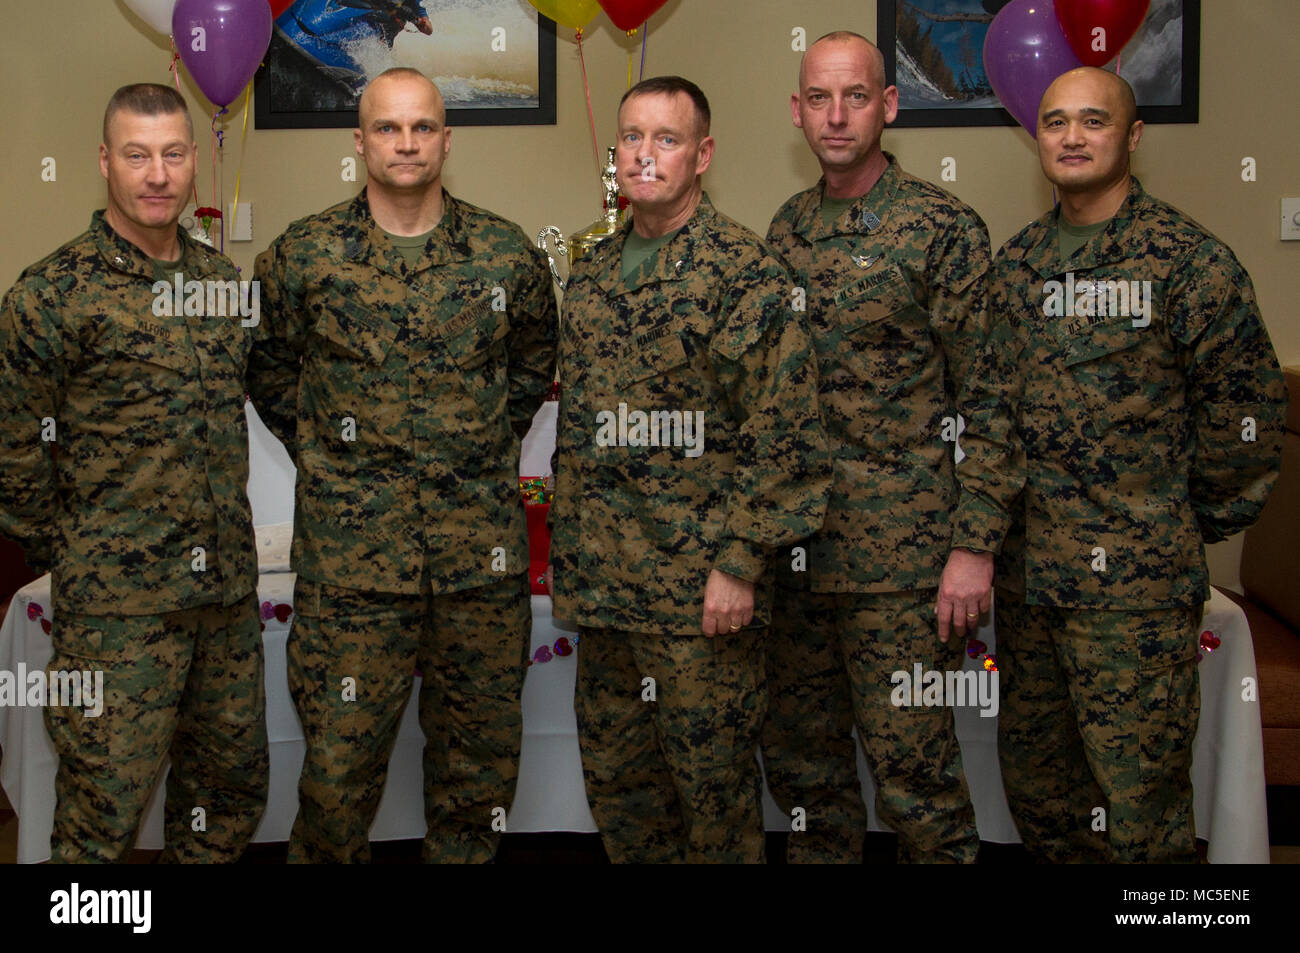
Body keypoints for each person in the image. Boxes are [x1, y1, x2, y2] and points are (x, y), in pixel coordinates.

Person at [947, 66, 1288, 862]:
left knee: (1142, 813)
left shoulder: (1188, 264)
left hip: (1133, 599)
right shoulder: (1017, 267)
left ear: (1132, 137)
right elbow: (990, 416)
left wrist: (1166, 525)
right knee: (1042, 794)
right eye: (1055, 121)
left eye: (1093, 121)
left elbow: (1246, 424)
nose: (1071, 137)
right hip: (1031, 588)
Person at [250, 67, 557, 863]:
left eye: (422, 127)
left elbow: (532, 367)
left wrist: (477, 446)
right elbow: (270, 370)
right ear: (359, 142)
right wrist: (333, 452)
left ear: (447, 140)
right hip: (353, 570)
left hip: (477, 566)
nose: (406, 143)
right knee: (336, 779)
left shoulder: (505, 254)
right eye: (388, 127)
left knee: (477, 778)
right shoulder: (304, 255)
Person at [546, 75, 831, 863]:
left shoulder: (744, 273)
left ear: (702, 155)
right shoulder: (594, 274)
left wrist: (739, 564)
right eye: (632, 137)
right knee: (622, 790)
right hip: (607, 594)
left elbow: (785, 438)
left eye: (666, 139)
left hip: (698, 600)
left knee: (713, 802)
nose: (645, 155)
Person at [0, 83, 268, 863]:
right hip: (119, 614)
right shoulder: (51, 293)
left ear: (193, 163)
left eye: (173, 154)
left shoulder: (221, 283)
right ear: (104, 162)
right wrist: (79, 551)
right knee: (101, 814)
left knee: (225, 799)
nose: (157, 174)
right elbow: (13, 451)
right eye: (137, 154)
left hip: (223, 601)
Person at [761, 31, 987, 863]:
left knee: (915, 779)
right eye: (819, 98)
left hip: (901, 565)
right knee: (805, 779)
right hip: (798, 559)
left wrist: (974, 546)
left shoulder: (941, 229)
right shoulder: (785, 230)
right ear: (797, 111)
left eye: (855, 96)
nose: (837, 115)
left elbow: (990, 400)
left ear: (887, 105)